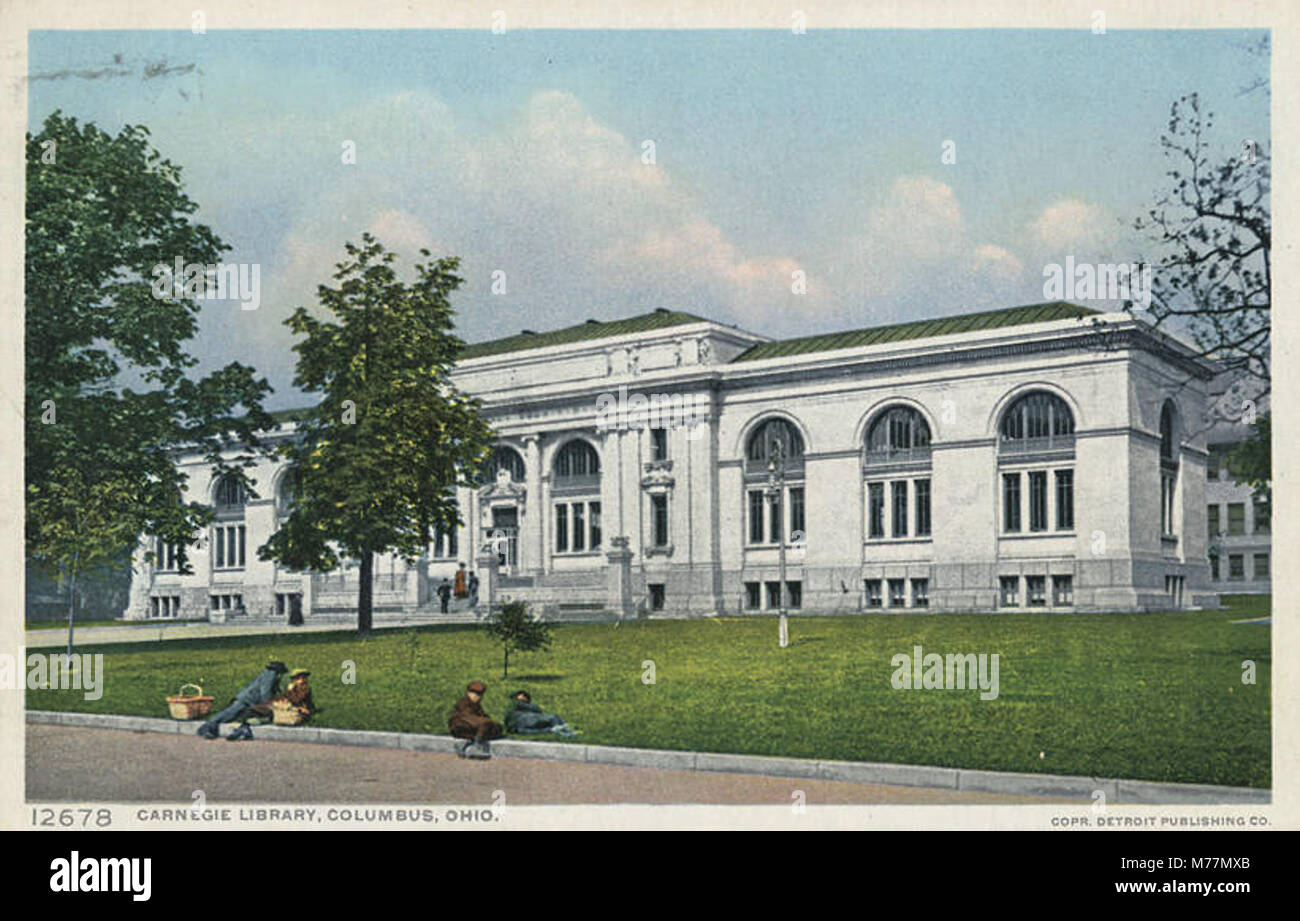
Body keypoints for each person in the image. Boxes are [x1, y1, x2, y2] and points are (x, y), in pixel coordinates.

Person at [197, 660, 287, 740]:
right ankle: (208, 726)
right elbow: (265, 692)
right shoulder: (270, 675)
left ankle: (212, 727)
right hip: (246, 700)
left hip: (249, 701)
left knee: (232, 716)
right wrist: (270, 703)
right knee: (228, 714)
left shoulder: (269, 675)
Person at [448, 680, 504, 760]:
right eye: (474, 693)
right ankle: (476, 747)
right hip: (461, 726)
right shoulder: (464, 704)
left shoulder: (476, 706)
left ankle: (466, 745)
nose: (477, 697)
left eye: (480, 695)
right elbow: (470, 719)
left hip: (472, 728)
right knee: (484, 724)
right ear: (468, 693)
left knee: (494, 727)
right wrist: (486, 722)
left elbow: (482, 717)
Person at [503, 690, 580, 738]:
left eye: (525, 696)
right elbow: (537, 710)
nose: (524, 697)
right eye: (522, 695)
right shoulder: (516, 703)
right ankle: (562, 729)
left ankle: (561, 729)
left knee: (552, 719)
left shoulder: (517, 706)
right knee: (553, 718)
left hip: (519, 724)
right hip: (521, 721)